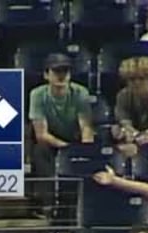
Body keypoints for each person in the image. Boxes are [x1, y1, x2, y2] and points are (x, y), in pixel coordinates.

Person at [27, 52, 96, 217]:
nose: (61, 76)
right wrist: (65, 147)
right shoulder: (37, 95)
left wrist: (85, 149)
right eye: (56, 71)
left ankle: (76, 201)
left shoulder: (81, 93)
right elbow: (41, 134)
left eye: (65, 71)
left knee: (89, 152)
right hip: (49, 140)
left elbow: (86, 127)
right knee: (40, 150)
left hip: (73, 137)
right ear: (46, 74)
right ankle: (49, 202)